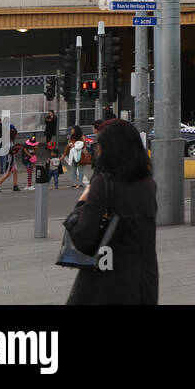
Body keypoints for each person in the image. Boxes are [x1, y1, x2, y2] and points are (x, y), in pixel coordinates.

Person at [66, 118, 159, 305]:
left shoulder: (103, 184)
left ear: (112, 148)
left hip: (109, 284)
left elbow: (83, 238)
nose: (97, 149)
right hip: (144, 280)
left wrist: (81, 203)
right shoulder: (148, 183)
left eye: (100, 144)